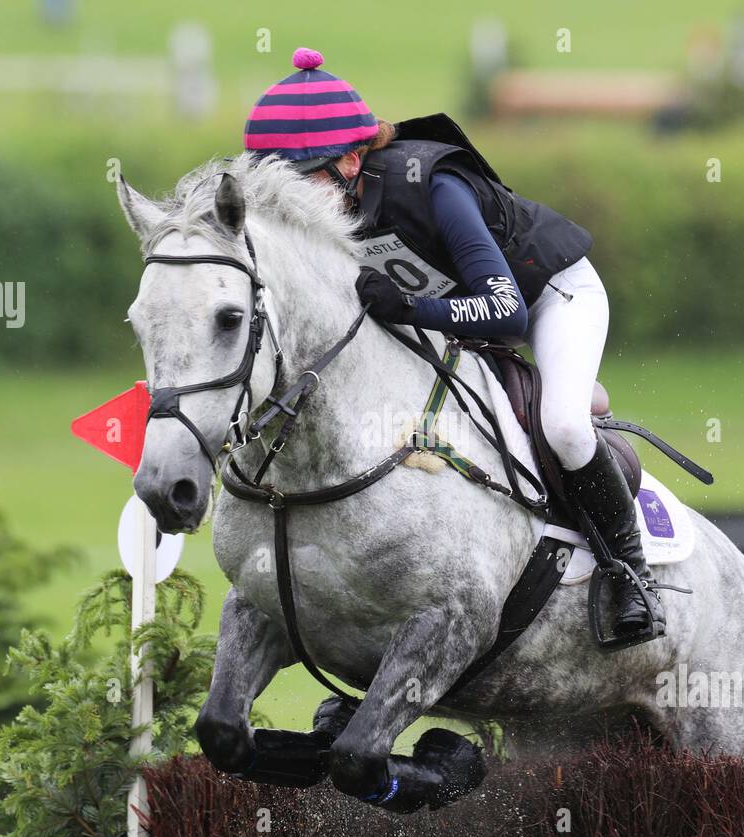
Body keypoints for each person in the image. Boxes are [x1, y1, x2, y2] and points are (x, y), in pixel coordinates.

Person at [243, 48, 673, 644]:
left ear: (350, 160)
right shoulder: (328, 211)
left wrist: (413, 310)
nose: (288, 198)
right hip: (456, 311)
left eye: (301, 177)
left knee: (566, 427)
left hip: (548, 296)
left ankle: (632, 573)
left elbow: (505, 311)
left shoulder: (433, 187)